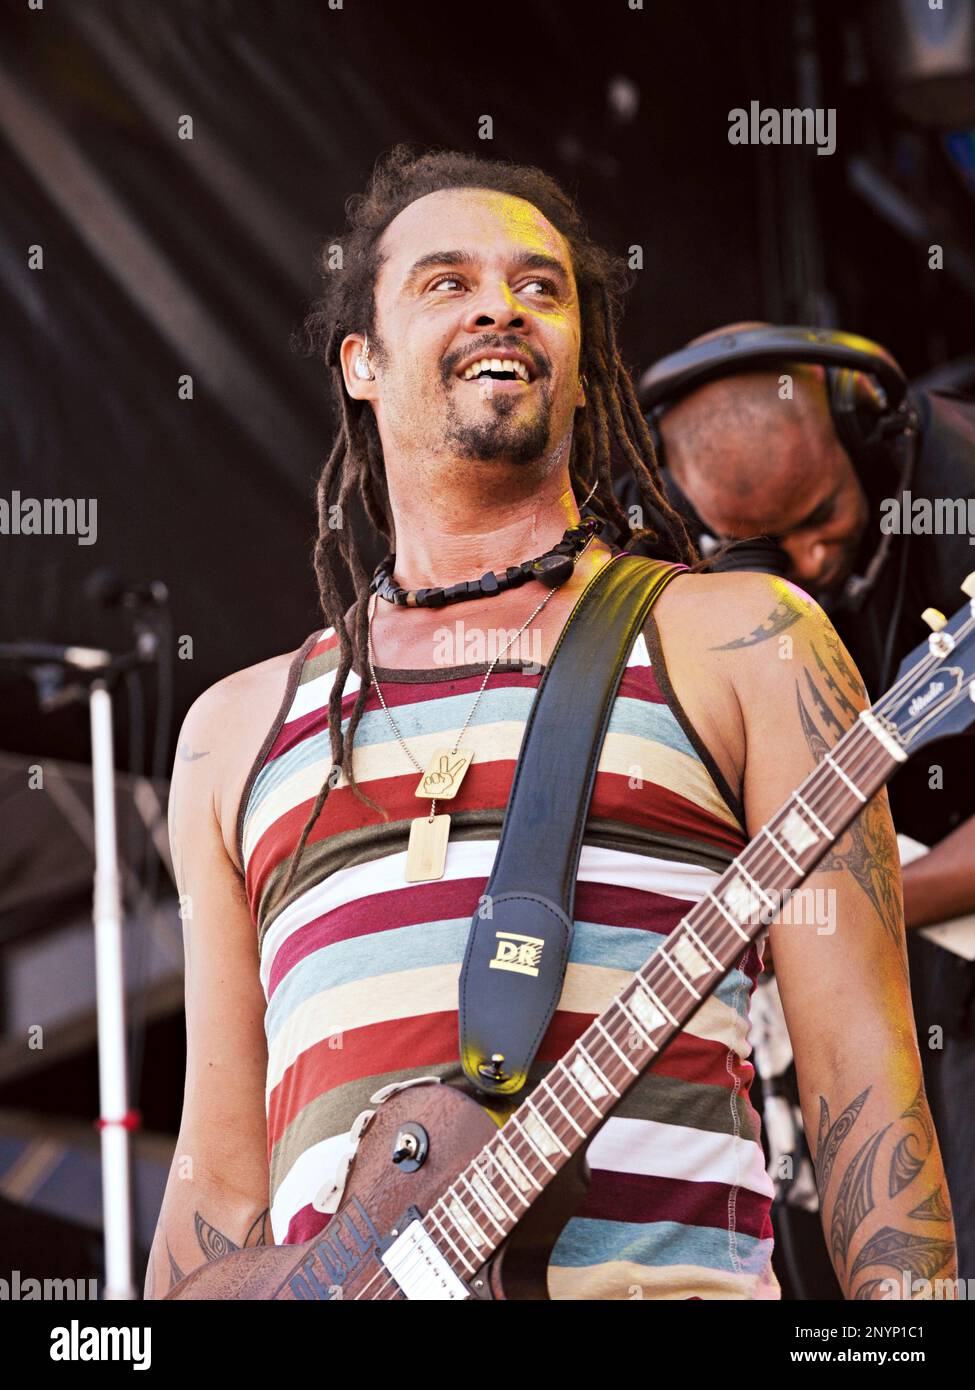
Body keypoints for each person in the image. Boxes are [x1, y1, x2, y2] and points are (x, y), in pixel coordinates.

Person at [145, 150, 955, 1300]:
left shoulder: (744, 641)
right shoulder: (233, 733)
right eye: (446, 281)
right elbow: (218, 1184)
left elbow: (865, 1086)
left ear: (582, 372)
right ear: (361, 365)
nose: (499, 302)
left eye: (541, 286)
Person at [616, 321, 975, 1282]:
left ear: (867, 436)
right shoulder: (668, 581)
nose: (810, 563)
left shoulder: (961, 485)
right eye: (763, 544)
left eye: (821, 513)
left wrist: (826, 921)